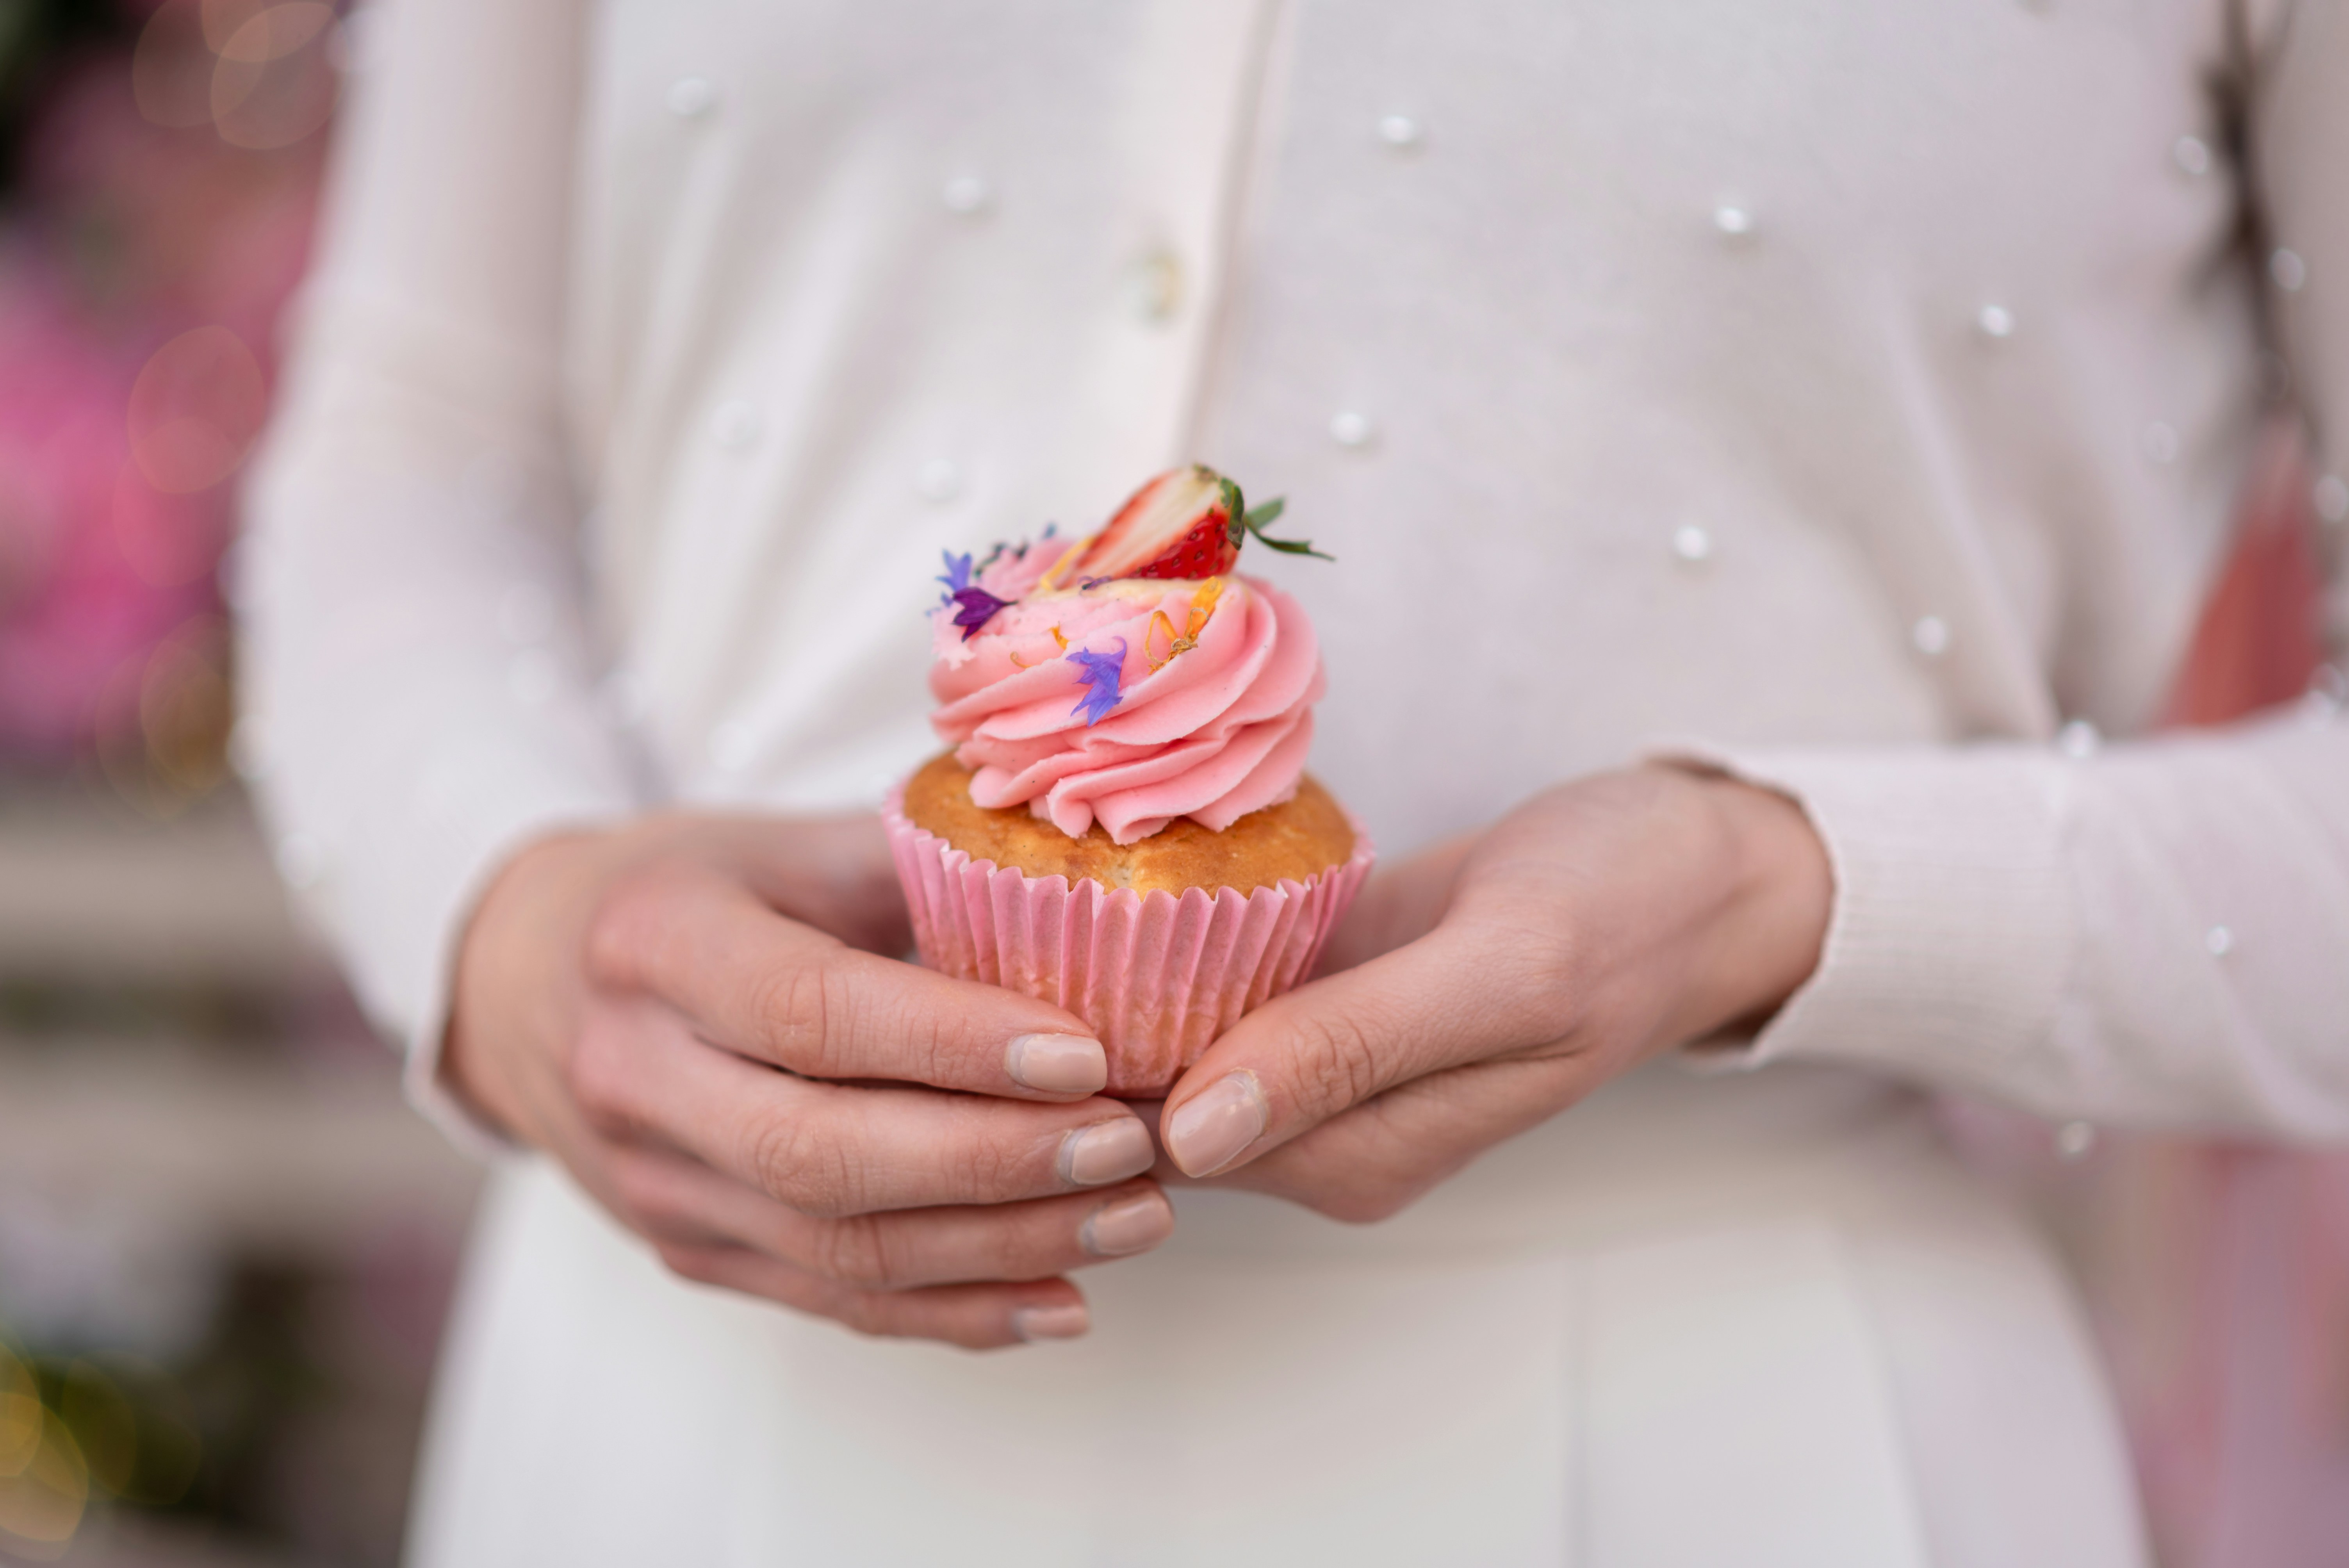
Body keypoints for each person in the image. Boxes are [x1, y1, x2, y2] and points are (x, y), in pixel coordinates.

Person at [242, 2, 2349, 1563]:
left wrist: (1785, 889)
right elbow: (413, 453)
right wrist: (511, 929)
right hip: (695, 1412)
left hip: (1730, 1444)